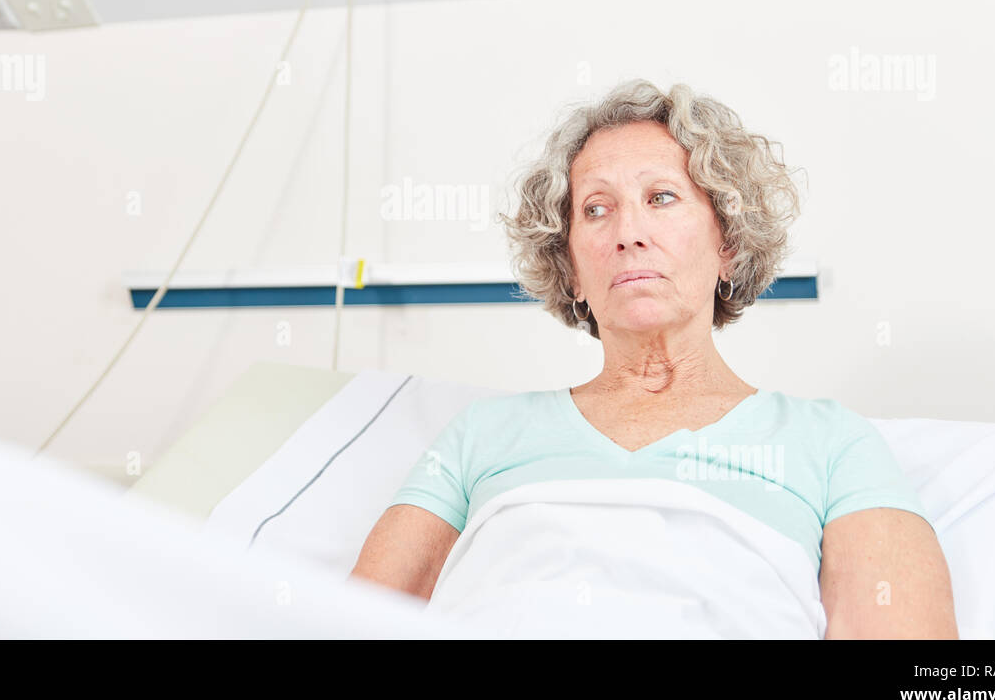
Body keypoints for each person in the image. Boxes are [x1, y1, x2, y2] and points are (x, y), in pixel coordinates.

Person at [350, 78, 958, 638]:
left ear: (728, 244)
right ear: (572, 270)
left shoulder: (830, 445)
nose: (627, 232)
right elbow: (348, 623)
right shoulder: (481, 436)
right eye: (596, 208)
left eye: (662, 198)